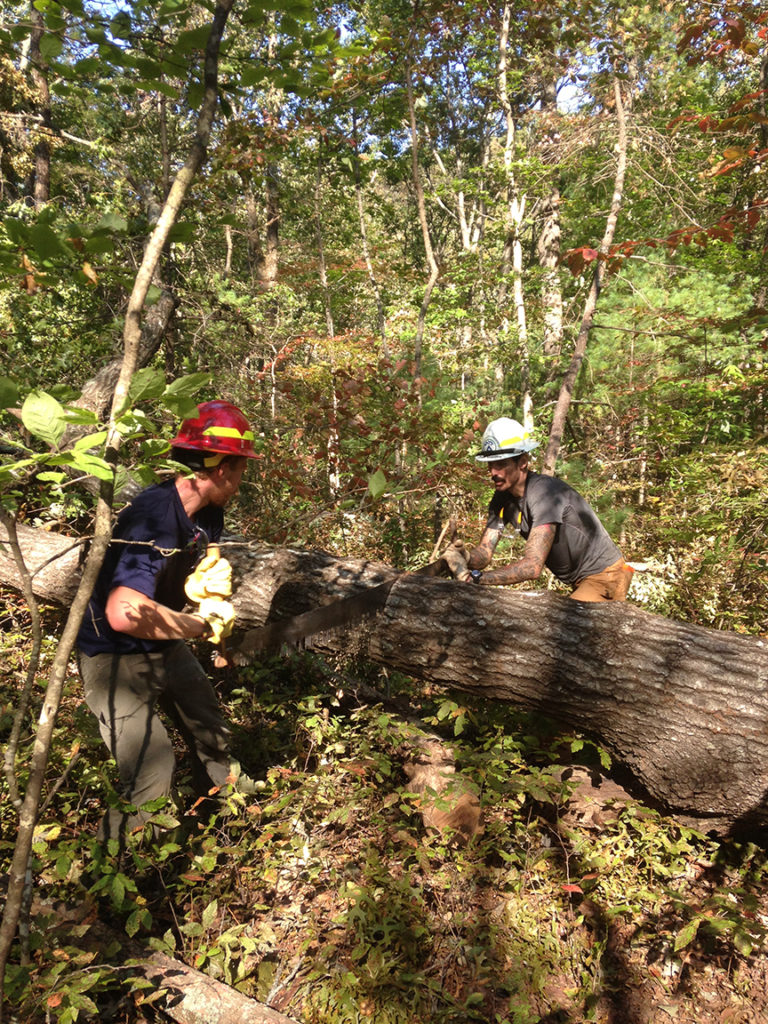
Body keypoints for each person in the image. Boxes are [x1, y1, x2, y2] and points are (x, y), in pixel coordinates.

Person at [76, 400, 258, 846]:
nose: (241, 481)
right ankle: (104, 882)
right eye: (240, 469)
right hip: (114, 658)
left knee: (210, 728)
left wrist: (213, 604)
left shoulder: (207, 514)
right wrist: (198, 625)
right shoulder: (154, 515)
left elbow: (199, 571)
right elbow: (125, 612)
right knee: (152, 771)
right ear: (220, 468)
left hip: (163, 647)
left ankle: (232, 810)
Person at [449, 417, 632, 602]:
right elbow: (485, 554)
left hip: (607, 575)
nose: (493, 473)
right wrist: (465, 556)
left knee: (566, 627)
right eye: (490, 465)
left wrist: (476, 579)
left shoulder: (545, 493)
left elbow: (532, 567)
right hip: (582, 580)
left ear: (522, 462)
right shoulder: (501, 498)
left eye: (501, 464)